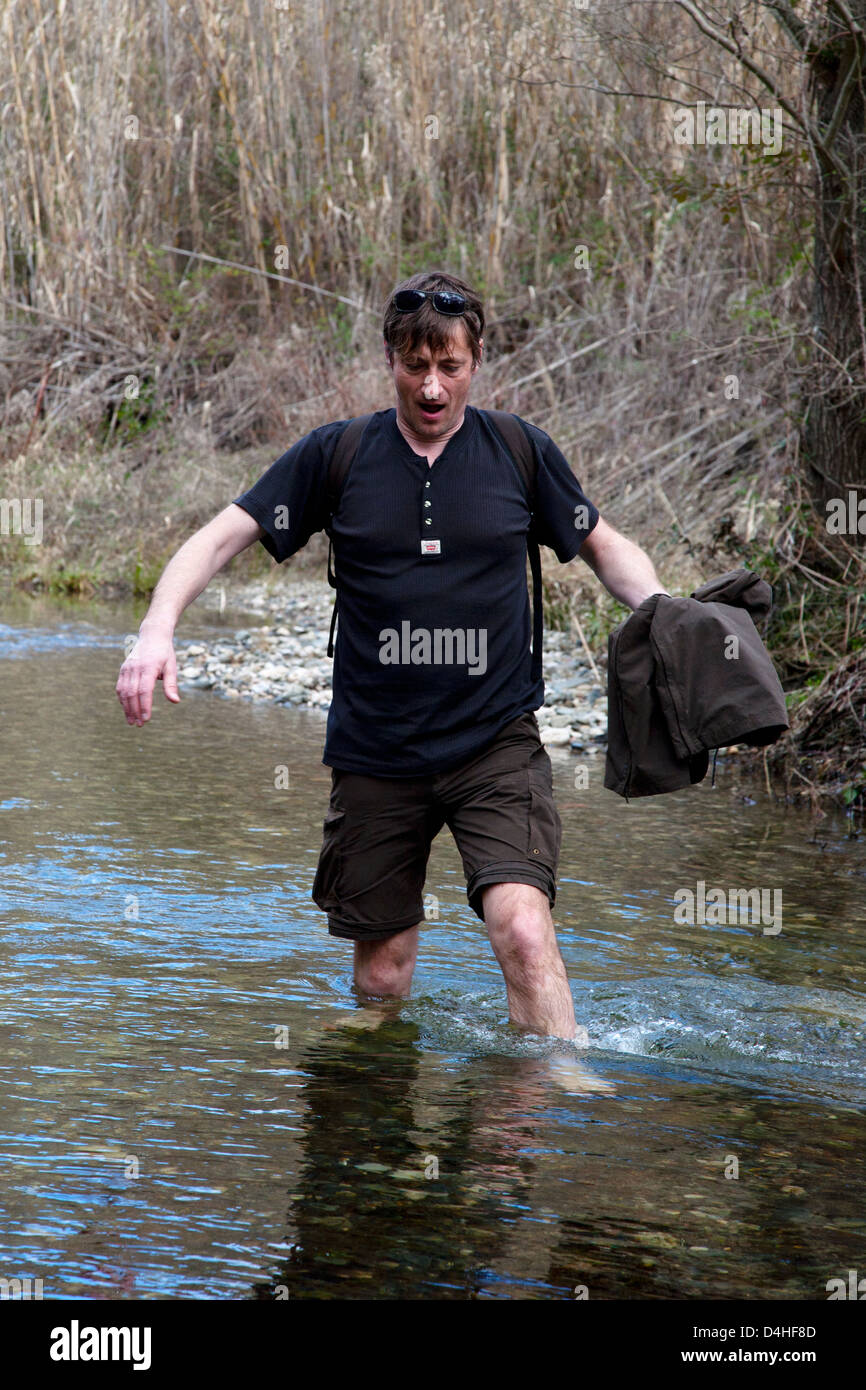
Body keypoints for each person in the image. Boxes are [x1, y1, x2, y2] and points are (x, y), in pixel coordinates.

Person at [116, 270, 669, 1043]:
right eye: (416, 366)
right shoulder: (336, 455)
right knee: (383, 975)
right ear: (391, 359)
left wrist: (665, 616)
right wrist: (156, 629)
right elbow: (220, 537)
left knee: (524, 934)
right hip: (376, 752)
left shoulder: (518, 451)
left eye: (450, 366)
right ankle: (378, 1137)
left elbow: (608, 551)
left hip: (495, 744)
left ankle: (540, 1112)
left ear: (476, 360)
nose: (433, 386)